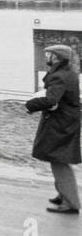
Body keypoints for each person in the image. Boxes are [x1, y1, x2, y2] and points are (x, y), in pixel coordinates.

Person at [27, 44, 81, 214]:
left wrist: (31, 105)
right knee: (58, 159)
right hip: (65, 121)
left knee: (59, 161)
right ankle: (63, 194)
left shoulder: (59, 76)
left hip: (60, 124)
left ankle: (71, 203)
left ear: (57, 57)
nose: (46, 57)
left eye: (49, 54)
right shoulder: (68, 73)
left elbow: (51, 100)